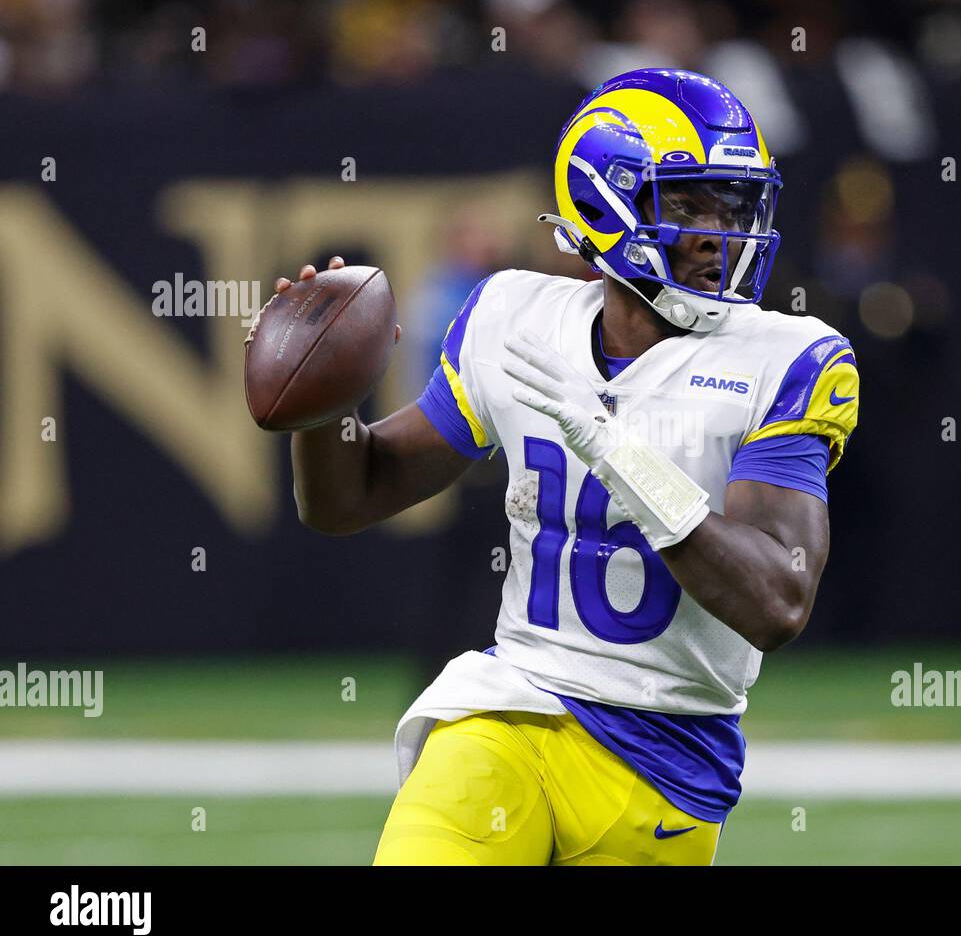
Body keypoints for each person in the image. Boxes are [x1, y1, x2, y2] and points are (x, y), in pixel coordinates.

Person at [258, 69, 859, 864]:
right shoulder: (516, 317)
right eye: (687, 204)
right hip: (511, 715)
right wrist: (323, 406)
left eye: (732, 202)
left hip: (667, 766)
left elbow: (777, 601)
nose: (719, 231)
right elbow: (352, 496)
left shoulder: (788, 359)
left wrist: (625, 462)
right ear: (604, 204)